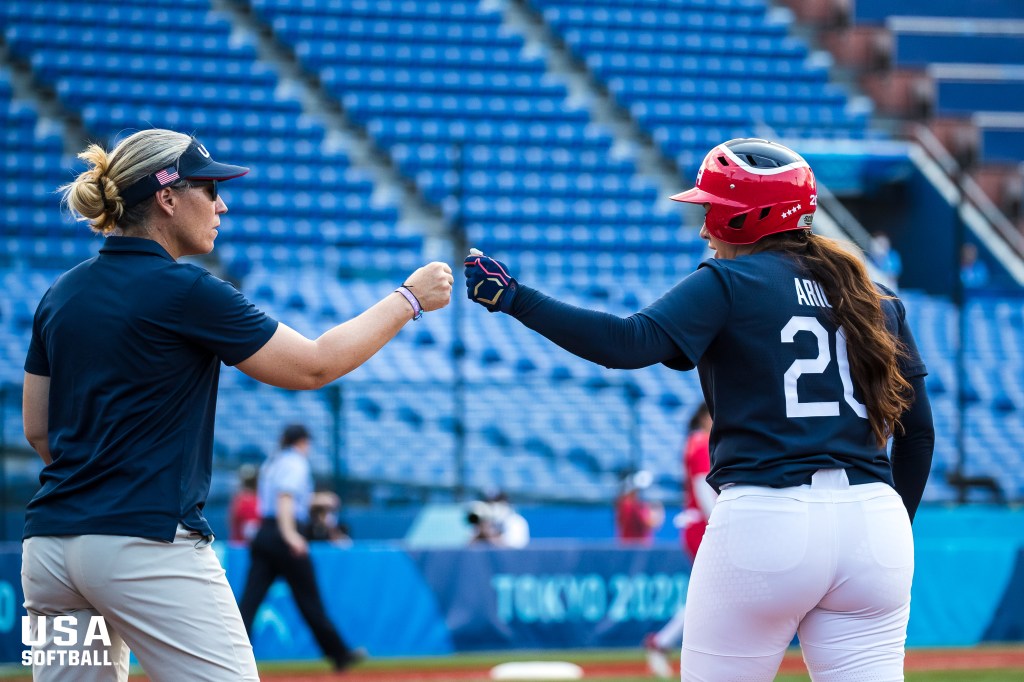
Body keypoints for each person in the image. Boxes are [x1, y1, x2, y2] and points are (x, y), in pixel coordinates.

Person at [464, 138, 934, 681]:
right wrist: (890, 527)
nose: (705, 226)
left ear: (747, 217)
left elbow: (626, 343)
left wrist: (515, 297)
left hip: (768, 517)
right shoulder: (876, 297)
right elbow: (917, 435)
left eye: (713, 210)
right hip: (875, 523)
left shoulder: (730, 282)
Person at [21, 128, 452, 681]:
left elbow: (39, 429)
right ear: (168, 197)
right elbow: (314, 365)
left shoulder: (60, 293)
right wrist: (409, 298)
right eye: (209, 188)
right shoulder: (187, 290)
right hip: (144, 543)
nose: (222, 203)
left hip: (49, 550)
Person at [238, 425, 360, 670]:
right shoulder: (295, 462)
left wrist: (319, 499)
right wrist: (291, 535)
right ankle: (340, 654)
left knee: (249, 602)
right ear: (302, 442)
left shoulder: (273, 462)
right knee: (309, 601)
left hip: (265, 533)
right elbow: (285, 498)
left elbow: (280, 499)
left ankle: (231, 655)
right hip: (284, 533)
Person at [644, 403, 715, 678]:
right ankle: (661, 642)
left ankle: (663, 642)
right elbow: (702, 487)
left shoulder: (696, 442)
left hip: (698, 522)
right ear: (703, 416)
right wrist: (718, 521)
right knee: (709, 592)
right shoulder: (700, 443)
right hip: (702, 524)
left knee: (711, 593)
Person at [614, 470, 664, 545]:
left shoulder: (624, 504)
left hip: (629, 546)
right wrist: (660, 512)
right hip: (635, 548)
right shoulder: (631, 505)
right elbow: (650, 523)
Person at [466, 491, 530, 548]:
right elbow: (469, 547)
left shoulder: (515, 521)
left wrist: (488, 534)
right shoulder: (485, 521)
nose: (492, 508)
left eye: (496, 503)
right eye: (490, 504)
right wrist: (480, 533)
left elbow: (513, 547)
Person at [229, 463, 261, 544]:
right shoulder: (248, 501)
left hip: (239, 546)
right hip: (245, 548)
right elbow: (250, 533)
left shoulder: (240, 499)